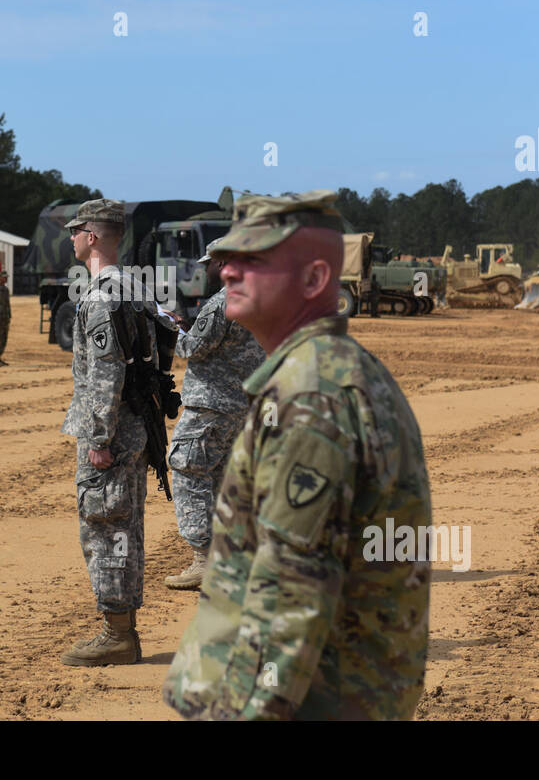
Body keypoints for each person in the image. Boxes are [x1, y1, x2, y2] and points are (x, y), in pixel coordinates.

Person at [162, 190, 432, 720]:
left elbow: (289, 603)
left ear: (313, 281)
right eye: (228, 259)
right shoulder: (329, 372)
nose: (227, 274)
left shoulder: (309, 401)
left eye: (253, 260)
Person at [59, 199, 173, 666]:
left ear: (91, 236)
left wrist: (101, 439)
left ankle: (117, 634)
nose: (70, 238)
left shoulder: (103, 295)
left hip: (114, 431)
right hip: (134, 425)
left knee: (106, 529)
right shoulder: (134, 287)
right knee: (123, 526)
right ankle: (120, 629)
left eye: (74, 231)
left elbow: (106, 373)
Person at [164, 237, 266, 590]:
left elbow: (191, 348)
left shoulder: (220, 303)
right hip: (242, 405)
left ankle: (204, 560)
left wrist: (170, 326)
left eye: (209, 262)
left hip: (209, 405)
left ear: (223, 264)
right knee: (222, 479)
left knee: (189, 472)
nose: (204, 268)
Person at [0, 270, 11, 365]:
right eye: (4, 277)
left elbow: (7, 304)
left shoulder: (6, 290)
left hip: (5, 317)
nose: (6, 279)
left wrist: (9, 316)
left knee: (4, 338)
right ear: (0, 278)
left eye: (6, 277)